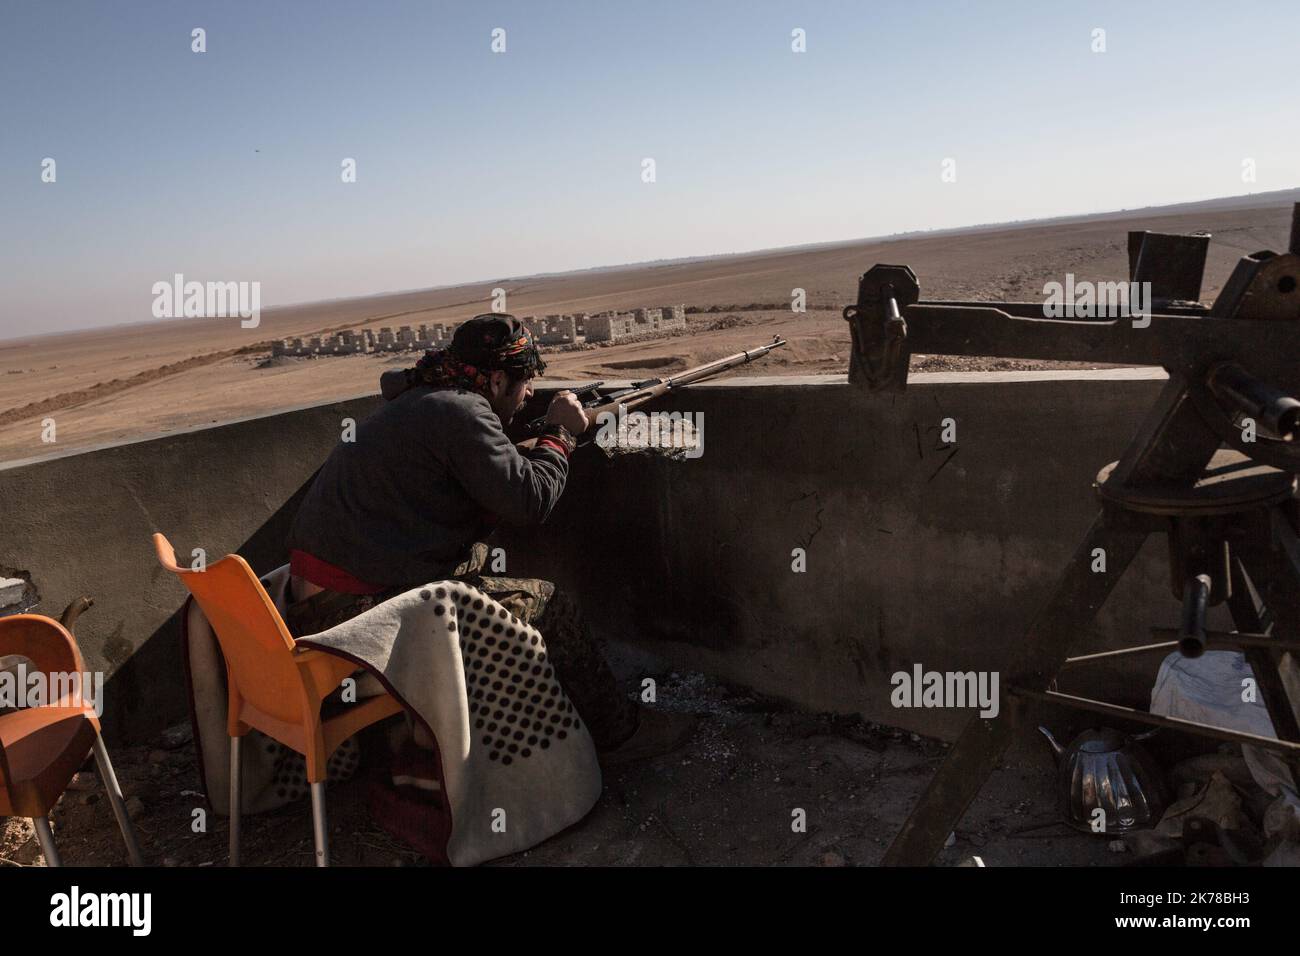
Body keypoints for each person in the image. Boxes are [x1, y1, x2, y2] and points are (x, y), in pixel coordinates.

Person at [283, 313, 692, 764]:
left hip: (313, 606)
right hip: (352, 618)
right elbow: (531, 503)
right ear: (496, 380)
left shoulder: (426, 400)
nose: (531, 393)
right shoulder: (462, 411)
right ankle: (620, 735)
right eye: (525, 382)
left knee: (476, 558)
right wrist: (559, 434)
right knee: (552, 607)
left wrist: (520, 452)